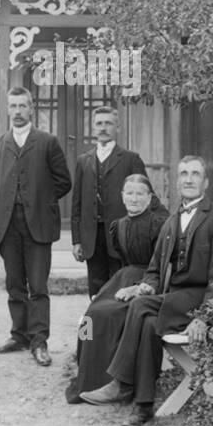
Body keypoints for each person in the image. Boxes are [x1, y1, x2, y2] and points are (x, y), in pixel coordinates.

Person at [80, 155, 213, 426]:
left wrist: (204, 317)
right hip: (173, 299)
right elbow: (154, 268)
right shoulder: (172, 220)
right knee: (148, 321)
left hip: (199, 298)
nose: (189, 179)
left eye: (195, 174)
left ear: (206, 182)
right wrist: (147, 285)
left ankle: (122, 383)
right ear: (177, 181)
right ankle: (143, 407)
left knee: (140, 307)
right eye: (184, 174)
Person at [0, 85, 73, 367]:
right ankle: (19, 336)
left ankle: (39, 341)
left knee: (37, 285)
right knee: (14, 283)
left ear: (32, 108)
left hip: (38, 225)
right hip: (8, 224)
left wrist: (39, 201)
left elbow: (64, 181)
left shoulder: (47, 141)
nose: (18, 112)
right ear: (7, 109)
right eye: (13, 106)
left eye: (23, 106)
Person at [65, 175, 168, 404]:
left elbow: (162, 268)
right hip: (125, 278)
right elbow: (122, 262)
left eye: (140, 193)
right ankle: (85, 372)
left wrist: (136, 289)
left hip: (150, 284)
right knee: (90, 315)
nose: (134, 198)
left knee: (107, 315)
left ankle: (112, 381)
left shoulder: (159, 224)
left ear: (150, 197)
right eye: (129, 193)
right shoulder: (118, 226)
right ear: (122, 197)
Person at [70, 106, 148, 298]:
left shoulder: (130, 159)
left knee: (120, 285)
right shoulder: (83, 161)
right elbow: (77, 203)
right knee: (95, 288)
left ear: (117, 127)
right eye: (99, 123)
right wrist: (77, 240)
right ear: (93, 128)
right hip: (92, 236)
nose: (103, 128)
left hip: (122, 236)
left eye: (108, 123)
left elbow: (147, 198)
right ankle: (96, 324)